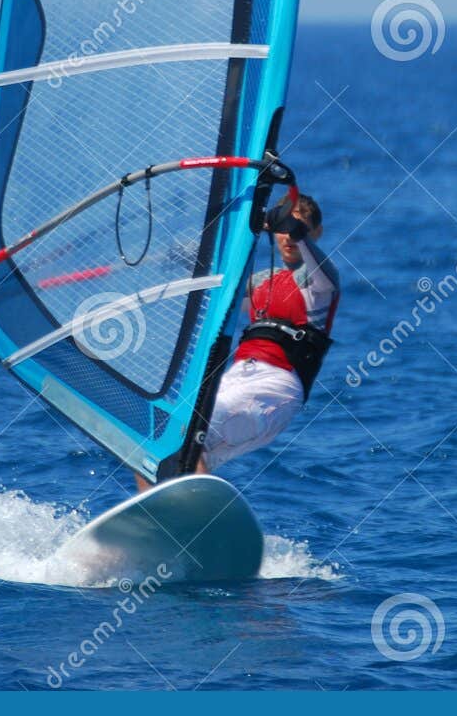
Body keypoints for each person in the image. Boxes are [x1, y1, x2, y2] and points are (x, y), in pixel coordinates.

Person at [134, 194, 339, 492]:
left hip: (274, 387)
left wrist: (291, 226)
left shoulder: (321, 285)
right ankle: (162, 516)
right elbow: (217, 277)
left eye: (299, 228)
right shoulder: (263, 281)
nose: (289, 237)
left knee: (189, 432)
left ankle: (201, 515)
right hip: (237, 379)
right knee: (156, 441)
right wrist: (179, 256)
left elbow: (322, 267)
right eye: (283, 229)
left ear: (315, 233)